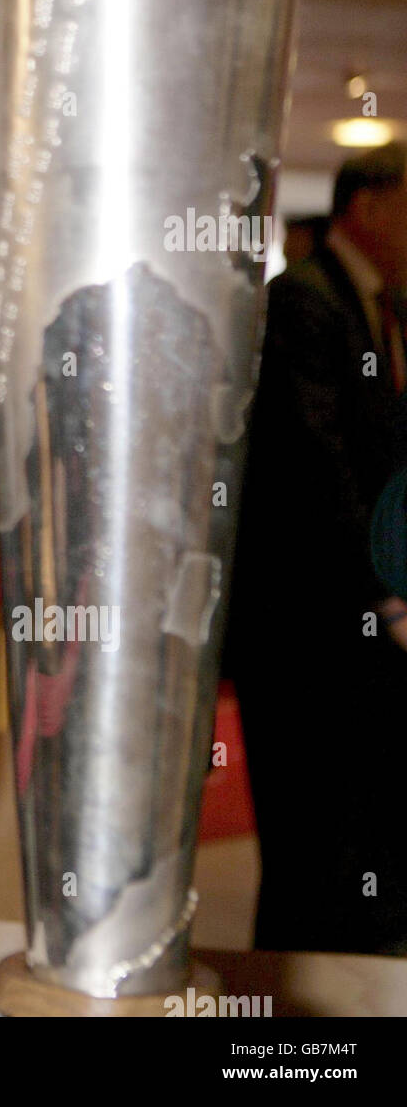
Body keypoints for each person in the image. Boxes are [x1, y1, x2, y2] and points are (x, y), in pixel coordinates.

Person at [226, 140, 407, 955]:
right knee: (312, 854)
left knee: (354, 846)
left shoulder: (379, 306)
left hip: (354, 635)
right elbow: (317, 467)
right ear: (369, 205)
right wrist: (390, 589)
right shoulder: (303, 303)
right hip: (305, 634)